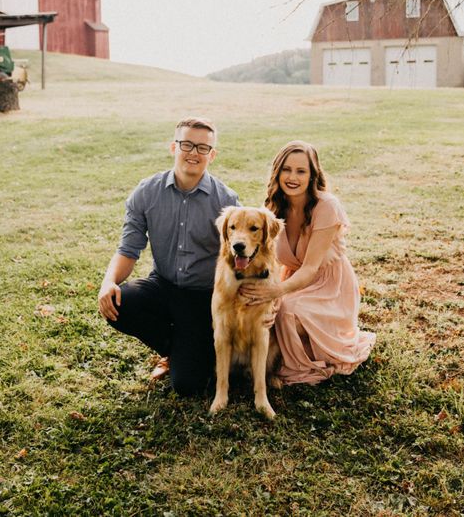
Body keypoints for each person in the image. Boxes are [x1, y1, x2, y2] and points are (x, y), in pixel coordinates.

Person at [97, 117, 239, 395]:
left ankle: (188, 349)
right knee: (119, 302)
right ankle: (174, 346)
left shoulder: (227, 202)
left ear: (212, 154)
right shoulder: (146, 192)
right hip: (162, 284)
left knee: (188, 385)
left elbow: (240, 259)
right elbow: (128, 249)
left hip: (203, 297)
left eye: (202, 147)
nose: (194, 153)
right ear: (174, 147)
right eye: (187, 144)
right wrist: (108, 282)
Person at [239, 141, 375, 385]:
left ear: (313, 175)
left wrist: (276, 294)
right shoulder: (271, 207)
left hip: (329, 284)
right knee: (265, 310)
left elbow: (311, 268)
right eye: (287, 169)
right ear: (277, 172)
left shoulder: (327, 206)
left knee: (288, 311)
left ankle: (304, 360)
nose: (292, 177)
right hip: (292, 279)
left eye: (301, 171)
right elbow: (265, 259)